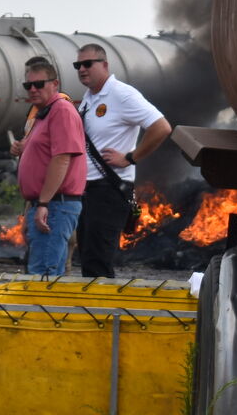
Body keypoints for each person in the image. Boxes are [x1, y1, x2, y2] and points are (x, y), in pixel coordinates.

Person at [71, 43, 173, 278]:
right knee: (88, 257)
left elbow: (161, 127)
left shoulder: (121, 94)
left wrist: (130, 158)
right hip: (87, 190)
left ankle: (103, 312)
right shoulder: (89, 98)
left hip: (109, 191)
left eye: (88, 64)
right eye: (78, 65)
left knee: (98, 262)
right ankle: (93, 310)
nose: (82, 69)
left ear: (104, 65)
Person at [12, 56, 86, 278]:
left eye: (39, 84)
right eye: (28, 85)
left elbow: (62, 159)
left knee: (42, 275)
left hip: (55, 206)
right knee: (47, 273)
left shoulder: (61, 110)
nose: (33, 89)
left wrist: (43, 203)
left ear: (55, 84)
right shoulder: (43, 113)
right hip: (49, 205)